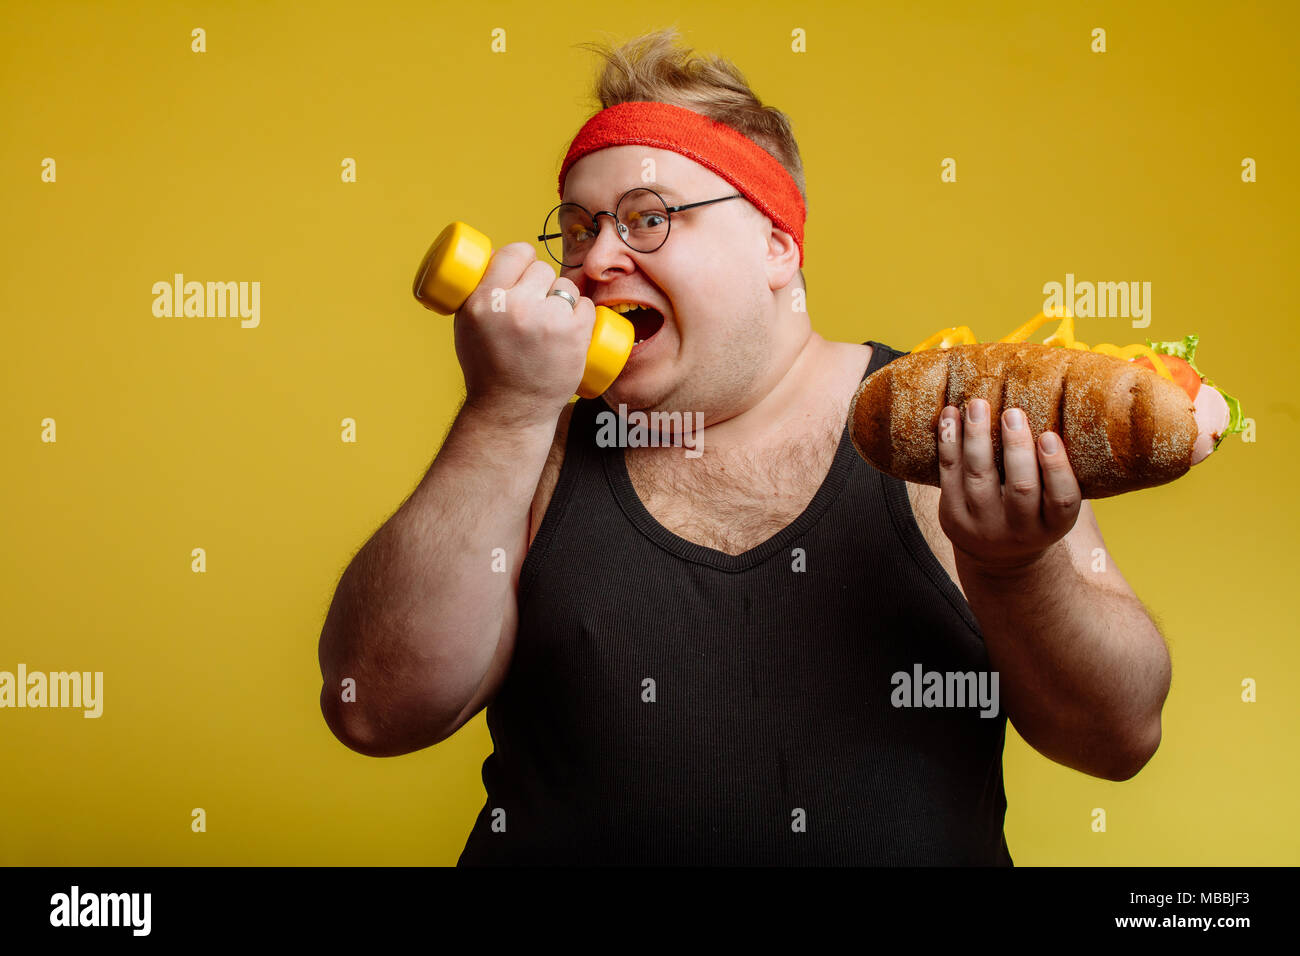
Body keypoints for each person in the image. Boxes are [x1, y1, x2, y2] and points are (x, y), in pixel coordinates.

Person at [317, 30, 1171, 865]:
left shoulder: (943, 418)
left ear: (776, 246)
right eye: (578, 229)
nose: (596, 259)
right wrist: (502, 410)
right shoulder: (527, 434)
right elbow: (375, 711)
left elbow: (1118, 736)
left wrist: (1018, 569)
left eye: (648, 219)